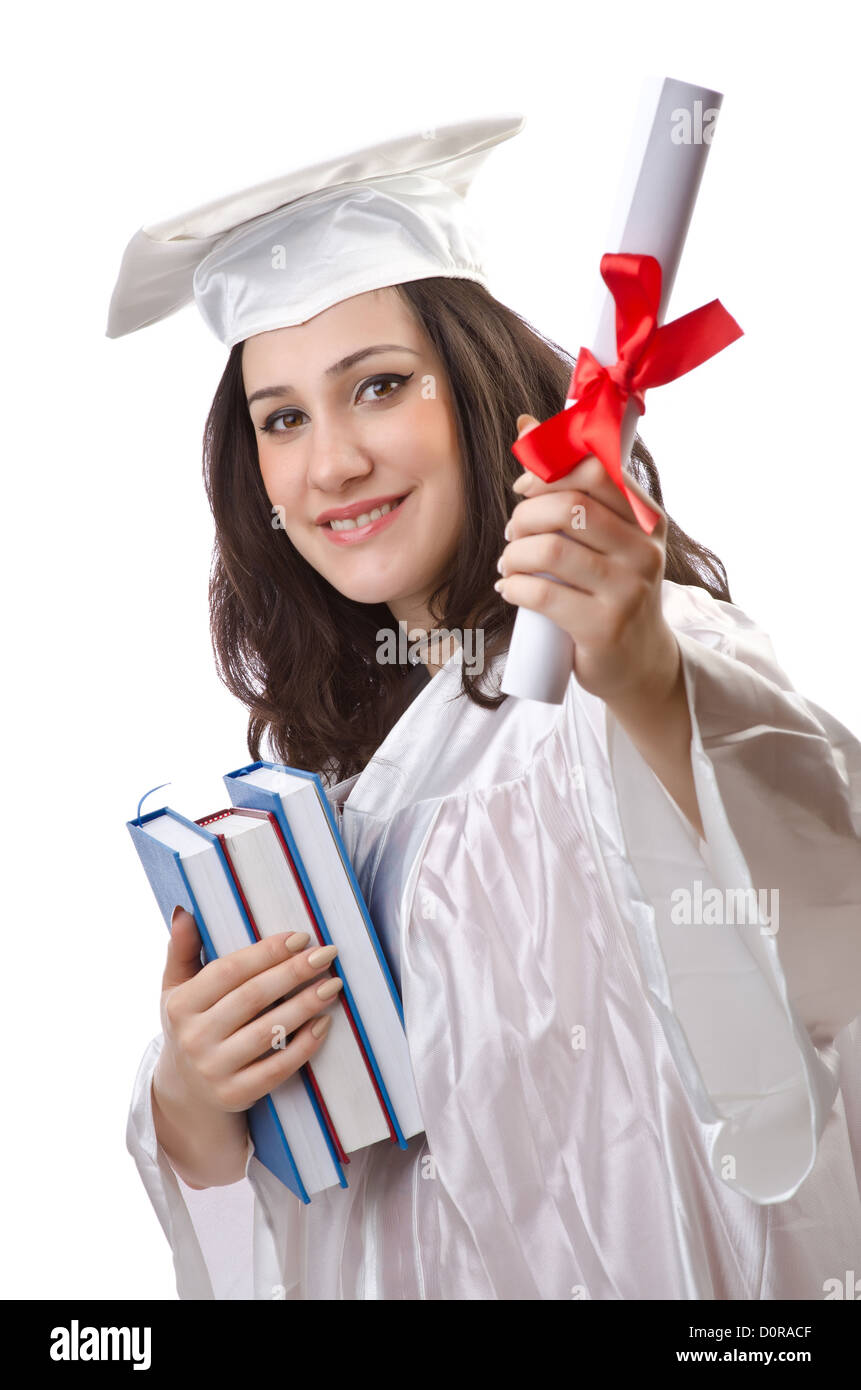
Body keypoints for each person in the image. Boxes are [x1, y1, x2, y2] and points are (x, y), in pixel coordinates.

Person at [109, 115, 861, 1300]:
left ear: (476, 394)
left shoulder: (622, 678)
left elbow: (821, 918)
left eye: (380, 386)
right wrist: (196, 1108)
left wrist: (650, 678)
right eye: (284, 417)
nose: (334, 462)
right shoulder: (348, 802)